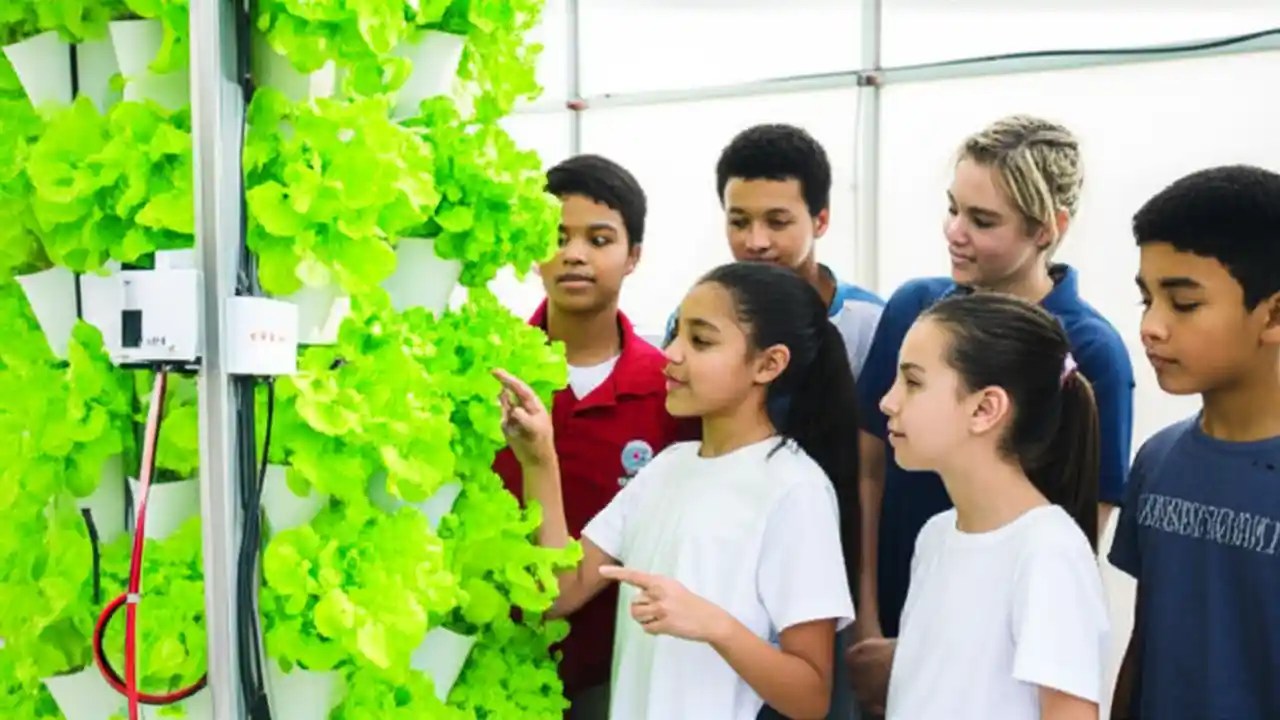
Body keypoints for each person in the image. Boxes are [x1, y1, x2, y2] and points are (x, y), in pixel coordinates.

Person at [849, 115, 1134, 713]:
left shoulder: (1093, 351)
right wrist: (872, 621)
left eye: (982, 221)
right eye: (953, 208)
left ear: (1048, 229)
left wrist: (938, 648)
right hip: (910, 626)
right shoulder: (916, 310)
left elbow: (1084, 516)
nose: (955, 232)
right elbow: (868, 469)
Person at [496, 261, 859, 720]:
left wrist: (713, 624)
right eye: (676, 334)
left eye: (701, 340)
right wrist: (539, 459)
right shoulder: (667, 468)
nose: (670, 354)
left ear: (769, 364)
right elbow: (557, 594)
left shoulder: (796, 488)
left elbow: (810, 696)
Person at [492, 153, 690, 719]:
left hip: (619, 674)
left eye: (599, 239)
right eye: (557, 236)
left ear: (633, 257)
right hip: (488, 662)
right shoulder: (485, 374)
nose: (574, 253)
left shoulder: (670, 389)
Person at [875, 292, 1110, 719]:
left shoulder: (1047, 552)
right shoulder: (935, 536)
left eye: (912, 382)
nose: (887, 401)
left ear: (985, 408)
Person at [1109, 165, 1280, 720]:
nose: (1152, 327)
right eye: (1146, 299)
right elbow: (1145, 643)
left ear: (1273, 313)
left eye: (1183, 304)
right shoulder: (1157, 462)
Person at [666, 123, 884, 379]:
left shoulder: (871, 323)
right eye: (739, 222)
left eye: (777, 222)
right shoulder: (693, 319)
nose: (756, 242)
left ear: (821, 221)